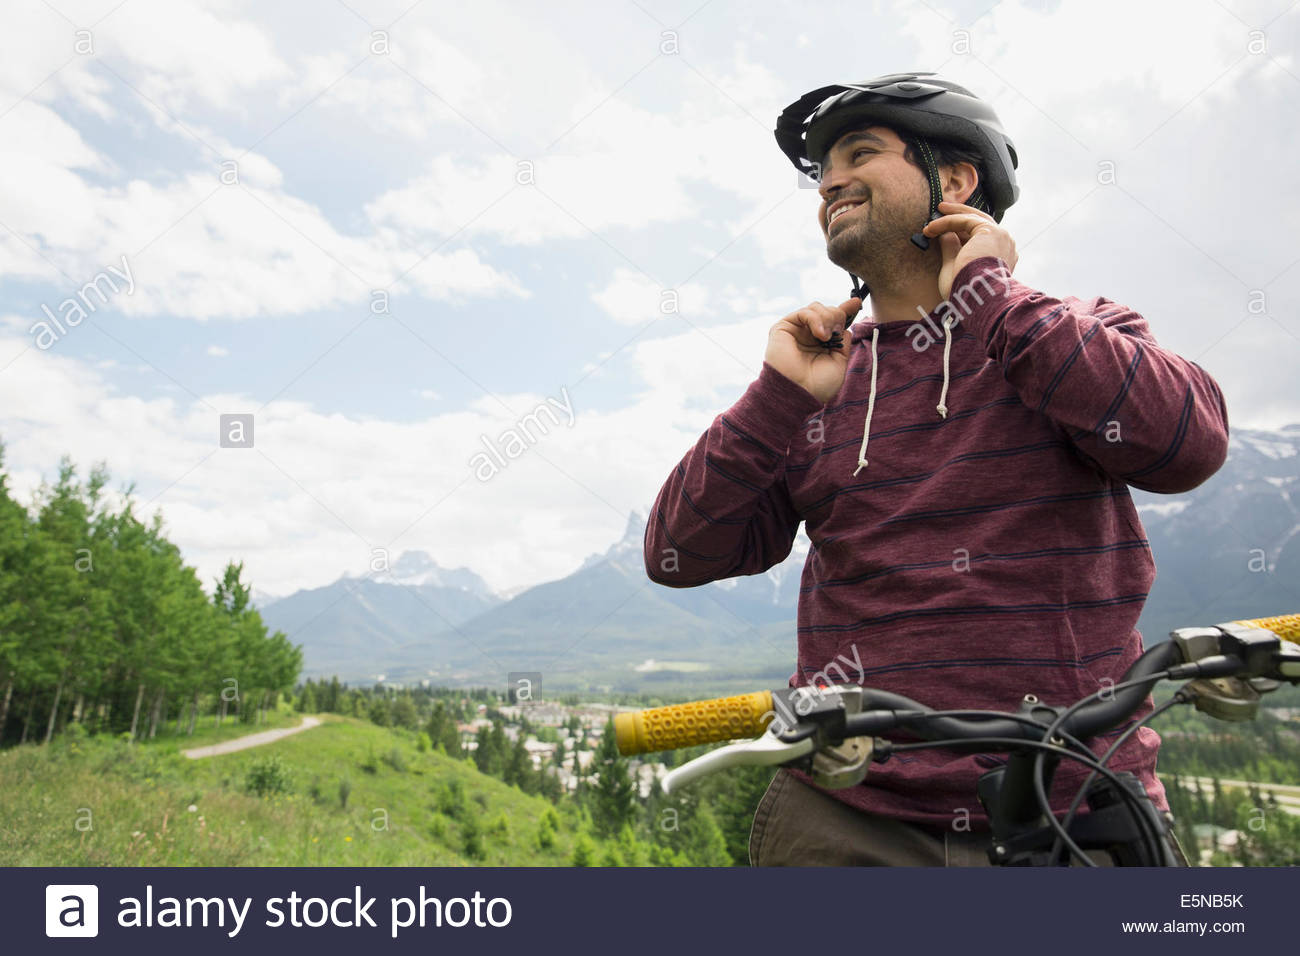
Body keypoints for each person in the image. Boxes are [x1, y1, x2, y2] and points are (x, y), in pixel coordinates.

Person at [642, 73, 1226, 866]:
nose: (831, 181)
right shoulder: (819, 381)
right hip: (847, 819)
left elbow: (1190, 444)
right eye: (823, 171)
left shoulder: (1076, 332)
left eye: (860, 153)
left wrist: (992, 298)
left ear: (954, 182)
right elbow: (678, 554)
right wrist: (775, 398)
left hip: (1075, 803)